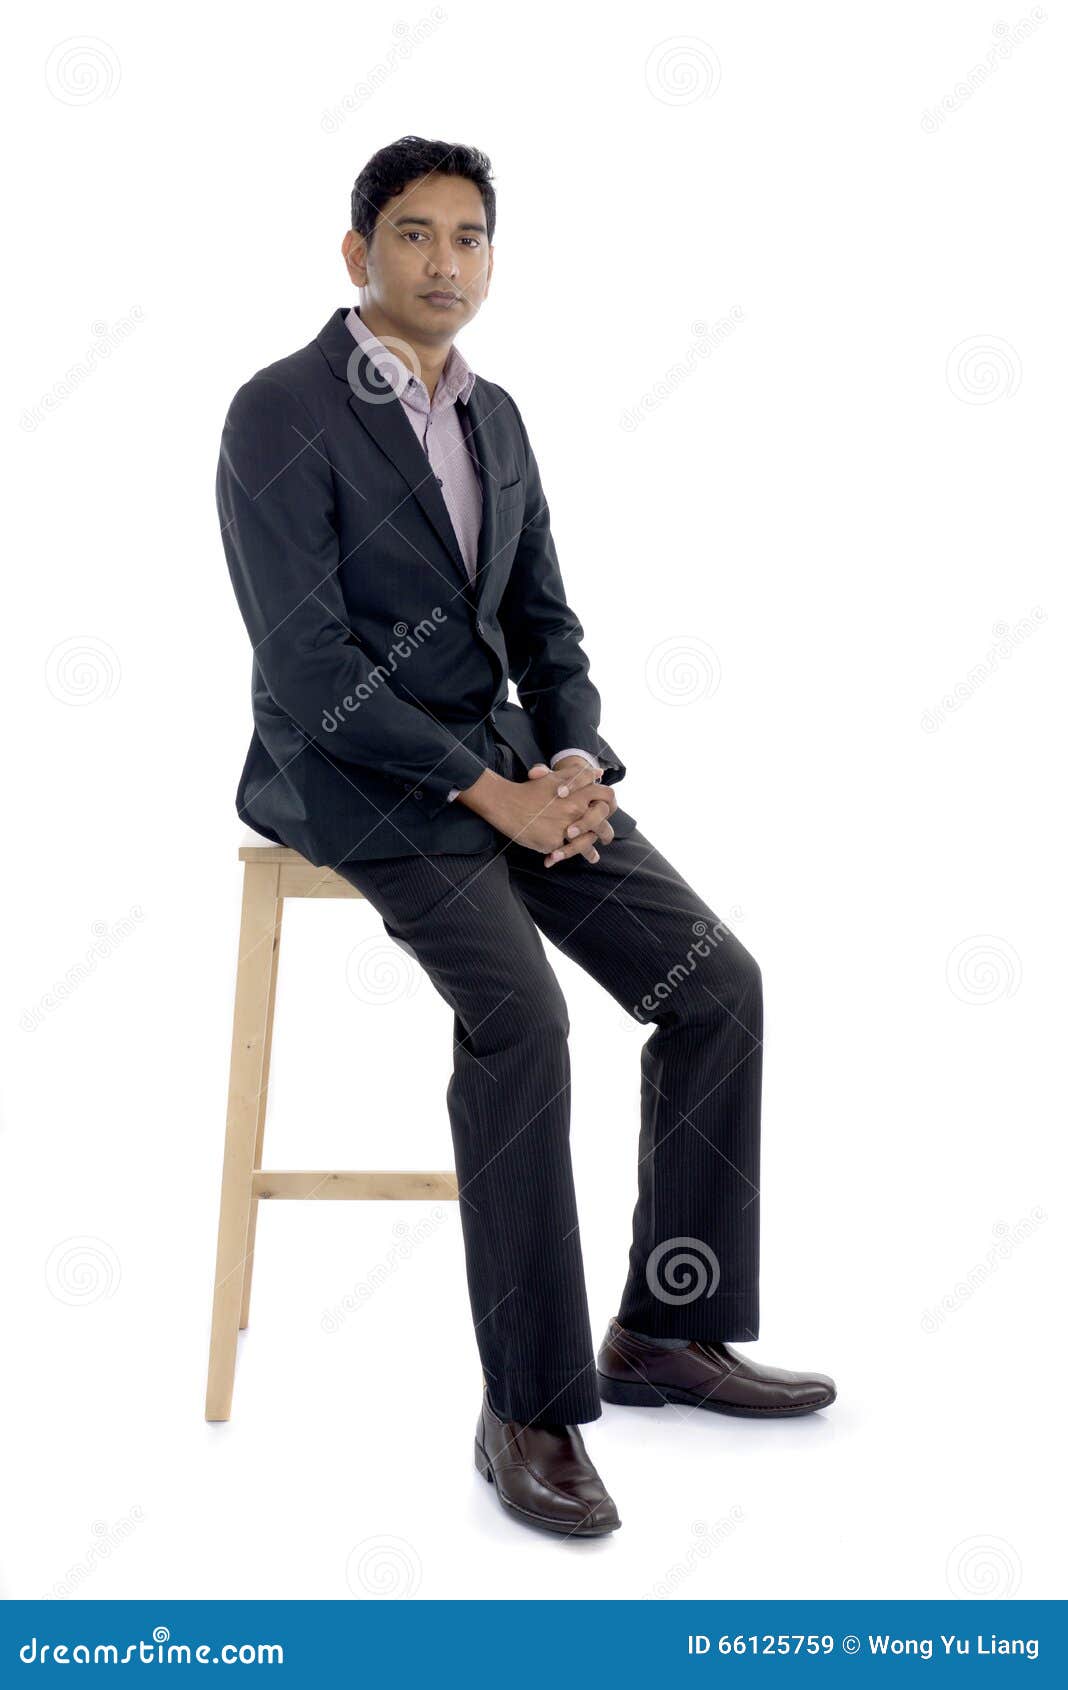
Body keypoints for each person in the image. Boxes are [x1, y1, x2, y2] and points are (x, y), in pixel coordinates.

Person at [216, 135, 835, 1540]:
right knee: (524, 1020)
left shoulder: (498, 416)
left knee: (716, 984)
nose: (446, 263)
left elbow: (548, 624)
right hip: (356, 778)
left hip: (507, 763)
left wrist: (567, 755)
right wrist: (484, 792)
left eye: (471, 238)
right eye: (418, 235)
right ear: (356, 251)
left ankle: (667, 1332)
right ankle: (530, 1406)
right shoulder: (279, 411)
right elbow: (311, 670)